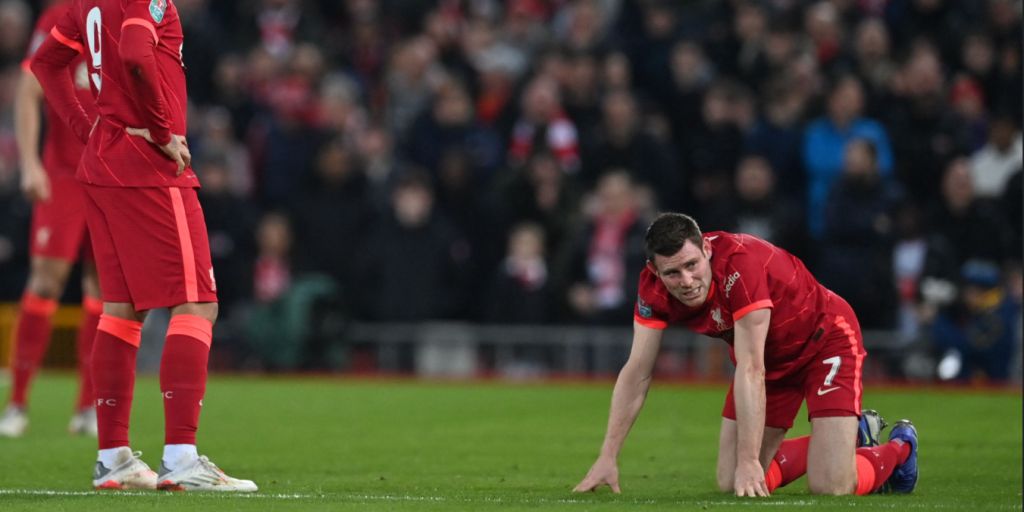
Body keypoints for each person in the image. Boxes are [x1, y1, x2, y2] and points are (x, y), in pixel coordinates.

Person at [30, 0, 255, 491]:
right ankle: (181, 457)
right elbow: (135, 52)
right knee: (197, 303)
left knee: (121, 309)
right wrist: (161, 131)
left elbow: (45, 64)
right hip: (148, 164)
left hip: (102, 163)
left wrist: (82, 126)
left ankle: (113, 458)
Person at [573, 213, 918, 497]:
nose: (687, 280)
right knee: (731, 482)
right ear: (654, 270)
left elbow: (751, 367)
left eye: (692, 264)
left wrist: (751, 459)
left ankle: (900, 449)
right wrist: (608, 455)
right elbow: (637, 373)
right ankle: (850, 436)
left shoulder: (741, 265)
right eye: (672, 272)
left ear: (706, 249)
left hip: (825, 341)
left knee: (831, 486)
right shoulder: (652, 289)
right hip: (770, 360)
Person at [0, 0, 101, 439]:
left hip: (113, 174)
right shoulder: (63, 14)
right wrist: (30, 164)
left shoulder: (131, 13)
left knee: (107, 290)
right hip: (64, 172)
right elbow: (29, 86)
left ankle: (88, 408)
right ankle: (18, 402)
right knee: (47, 280)